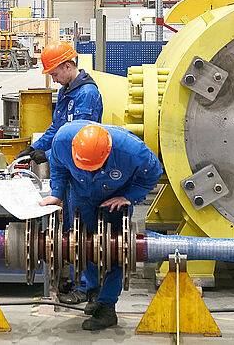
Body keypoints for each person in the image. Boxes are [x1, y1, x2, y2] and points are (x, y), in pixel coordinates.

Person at [39, 121, 163, 331]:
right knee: (82, 245)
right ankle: (94, 293)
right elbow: (58, 166)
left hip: (115, 199)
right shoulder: (62, 140)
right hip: (81, 196)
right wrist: (57, 194)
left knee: (115, 249)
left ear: (107, 154)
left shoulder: (132, 150)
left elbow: (153, 173)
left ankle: (107, 307)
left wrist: (128, 197)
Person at [17, 39, 103, 165]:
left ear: (67, 66)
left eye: (55, 74)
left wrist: (47, 154)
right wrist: (34, 148)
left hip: (82, 164)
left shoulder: (86, 94)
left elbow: (81, 140)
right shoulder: (65, 92)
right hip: (65, 160)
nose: (54, 80)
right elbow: (57, 128)